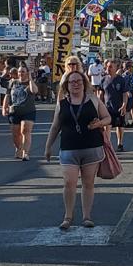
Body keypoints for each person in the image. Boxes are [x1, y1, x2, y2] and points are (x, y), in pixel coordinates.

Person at [44, 70, 110, 229]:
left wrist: (100, 124)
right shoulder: (62, 103)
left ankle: (87, 216)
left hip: (91, 148)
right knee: (69, 182)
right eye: (72, 82)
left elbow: (108, 117)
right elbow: (55, 126)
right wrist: (48, 147)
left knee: (88, 183)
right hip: (68, 148)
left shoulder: (93, 100)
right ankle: (68, 217)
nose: (75, 84)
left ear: (84, 83)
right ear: (66, 85)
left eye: (79, 81)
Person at [2, 63, 38, 161]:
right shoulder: (13, 82)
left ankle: (25, 153)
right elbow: (8, 95)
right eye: (19, 71)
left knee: (25, 131)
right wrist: (4, 107)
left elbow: (34, 91)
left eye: (23, 71)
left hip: (28, 111)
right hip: (14, 111)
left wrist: (30, 78)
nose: (20, 73)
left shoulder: (30, 83)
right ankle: (19, 148)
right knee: (15, 134)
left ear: (27, 73)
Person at [101, 59, 130, 152]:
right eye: (107, 66)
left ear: (116, 68)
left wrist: (124, 105)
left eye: (110, 67)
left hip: (118, 107)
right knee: (107, 126)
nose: (108, 68)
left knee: (120, 126)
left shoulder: (121, 80)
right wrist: (99, 106)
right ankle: (107, 145)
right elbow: (100, 93)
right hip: (107, 107)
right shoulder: (103, 79)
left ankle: (120, 143)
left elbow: (125, 94)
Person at [122, 60, 133, 127]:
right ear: (128, 67)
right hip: (128, 93)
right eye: (132, 67)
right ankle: (126, 122)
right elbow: (124, 85)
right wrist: (127, 92)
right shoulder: (125, 75)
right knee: (128, 108)